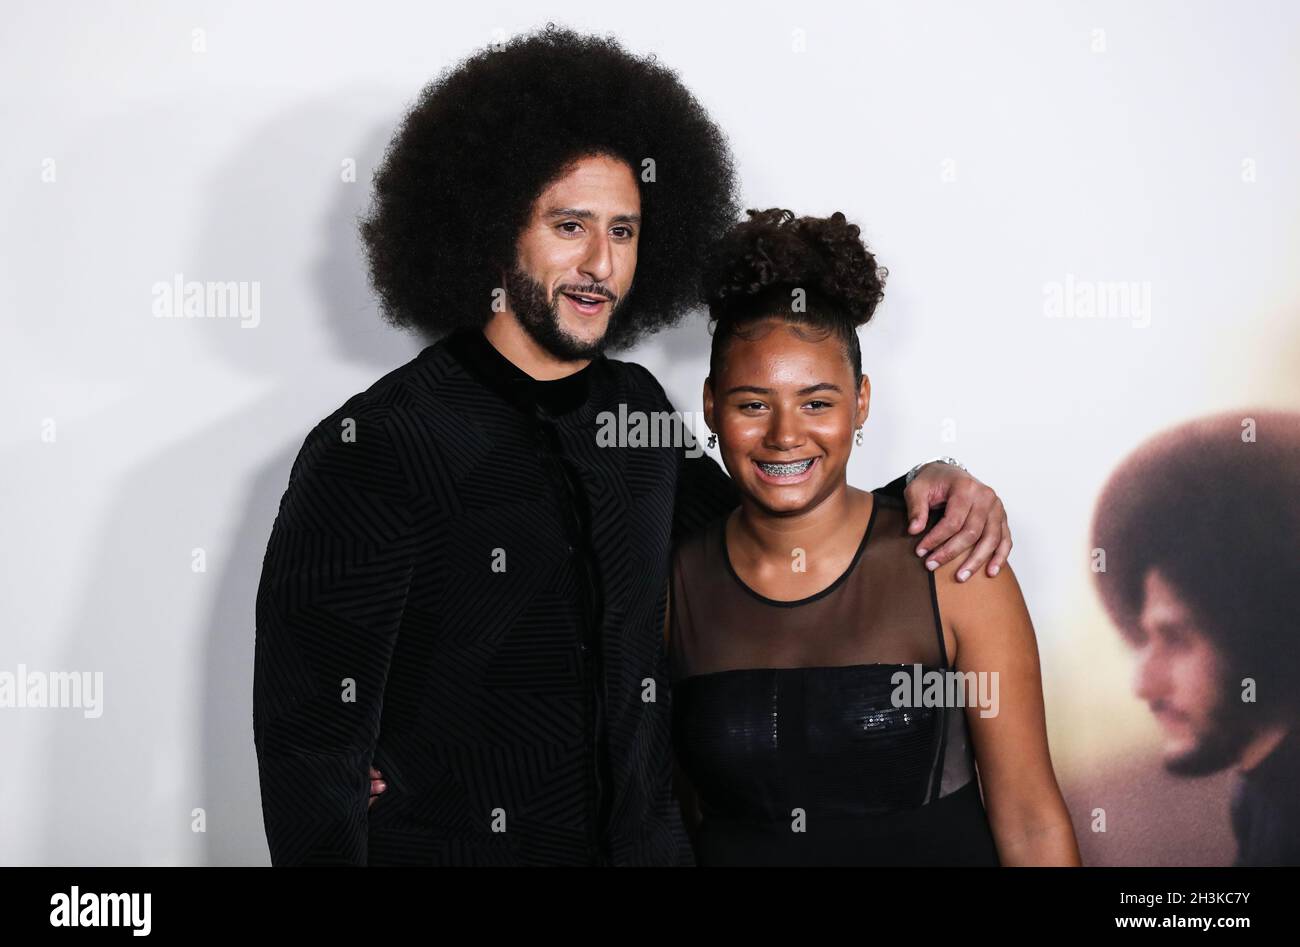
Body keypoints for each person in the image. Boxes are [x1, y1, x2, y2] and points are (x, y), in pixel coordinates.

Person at [254, 26, 1014, 866]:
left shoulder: (635, 411)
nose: (600, 264)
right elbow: (309, 757)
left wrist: (928, 486)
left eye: (623, 231)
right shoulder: (374, 449)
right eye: (569, 225)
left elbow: (768, 522)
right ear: (495, 231)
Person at [667, 208, 1079, 865]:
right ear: (711, 405)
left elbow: (1029, 819)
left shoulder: (951, 564)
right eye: (752, 404)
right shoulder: (673, 583)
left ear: (860, 402)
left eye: (816, 402)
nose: (784, 436)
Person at [1091, 410, 1300, 865]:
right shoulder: (1259, 791)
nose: (1144, 685)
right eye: (1147, 638)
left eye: (1177, 638)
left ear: (1262, 630)